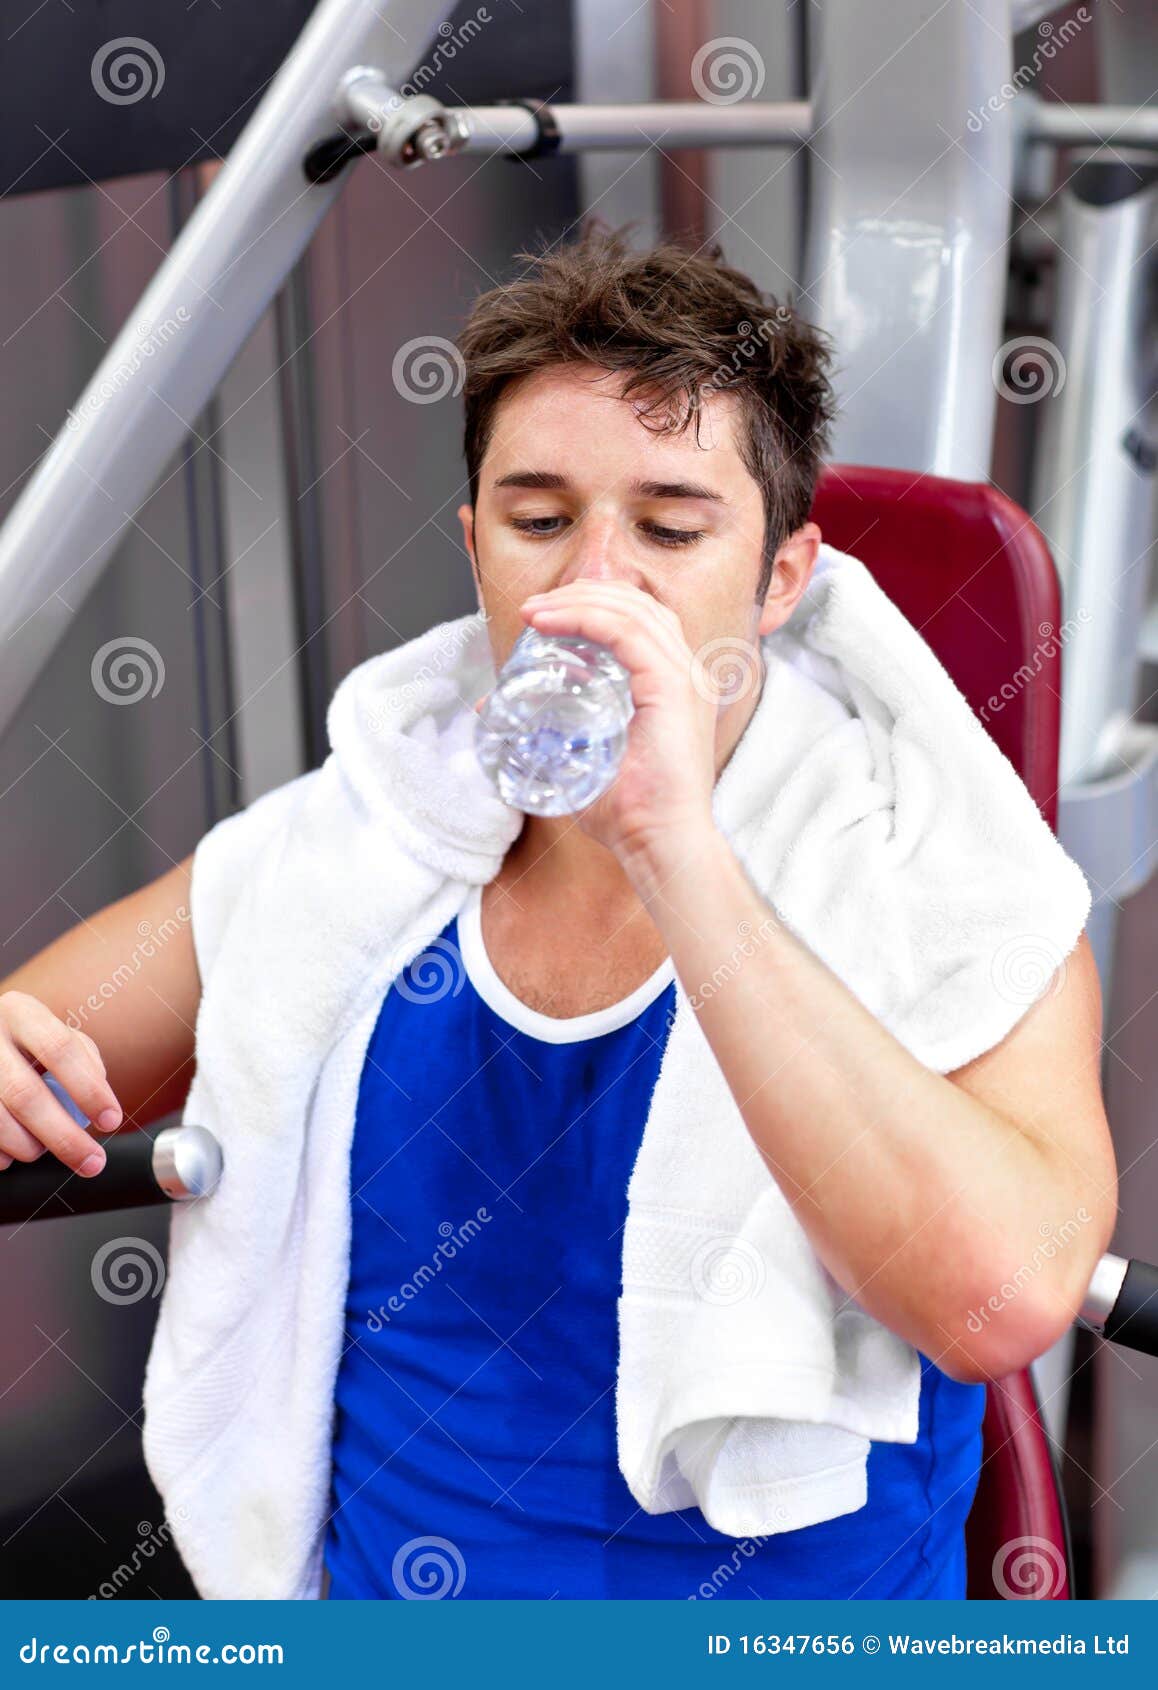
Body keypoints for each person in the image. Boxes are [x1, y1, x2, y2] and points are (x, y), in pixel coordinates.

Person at [0, 222, 1117, 1600]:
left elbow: (997, 1302)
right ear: (477, 549)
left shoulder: (932, 874)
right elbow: (45, 1037)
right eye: (539, 521)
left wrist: (673, 846)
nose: (595, 584)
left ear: (777, 577)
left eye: (668, 524)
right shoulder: (365, 836)